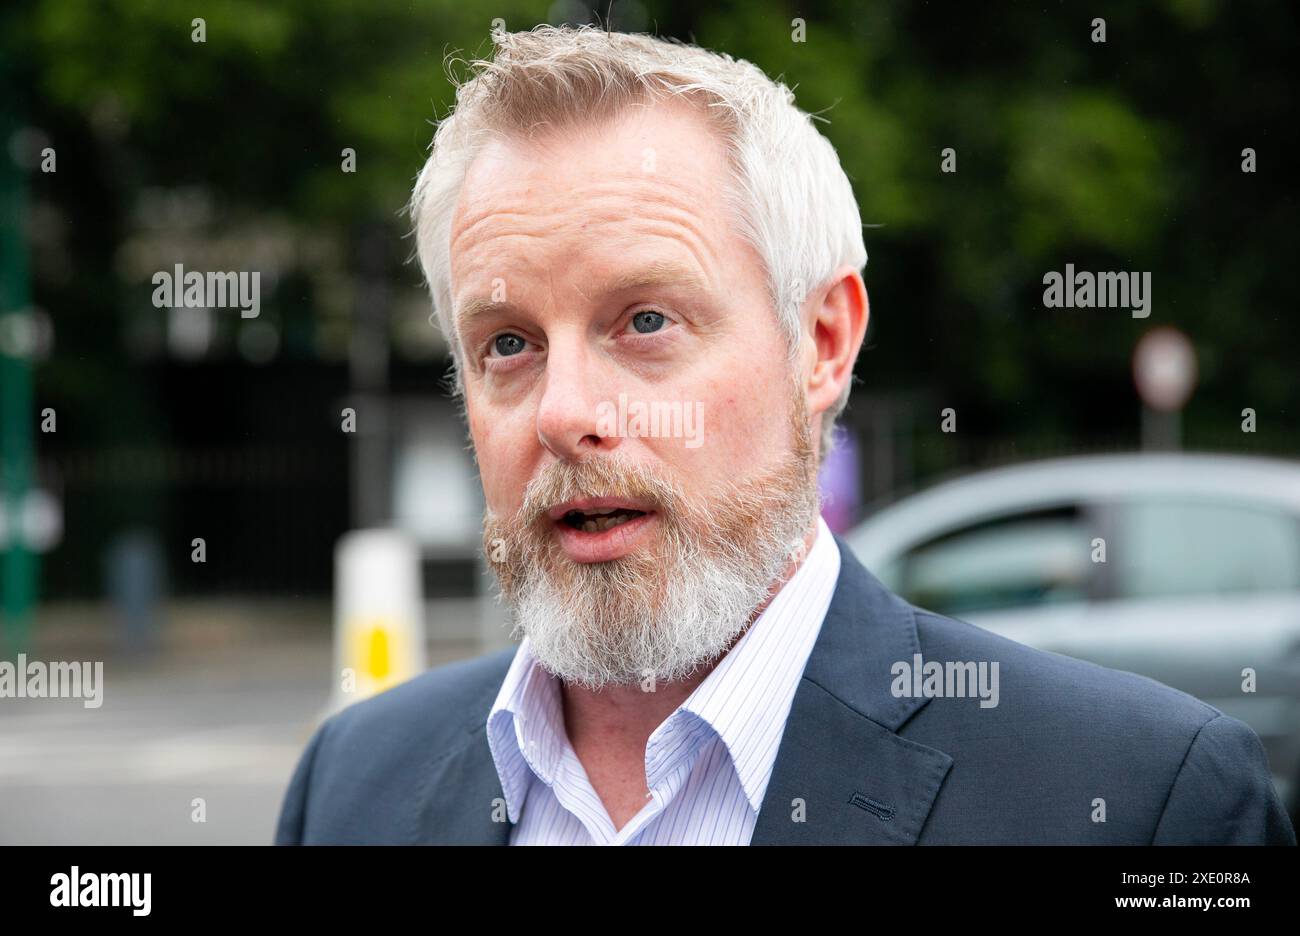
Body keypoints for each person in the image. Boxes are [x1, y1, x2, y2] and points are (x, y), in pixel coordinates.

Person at [275, 25, 1295, 845]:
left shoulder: (1137, 799)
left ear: (821, 342)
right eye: (506, 342)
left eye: (644, 323)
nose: (564, 412)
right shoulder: (352, 785)